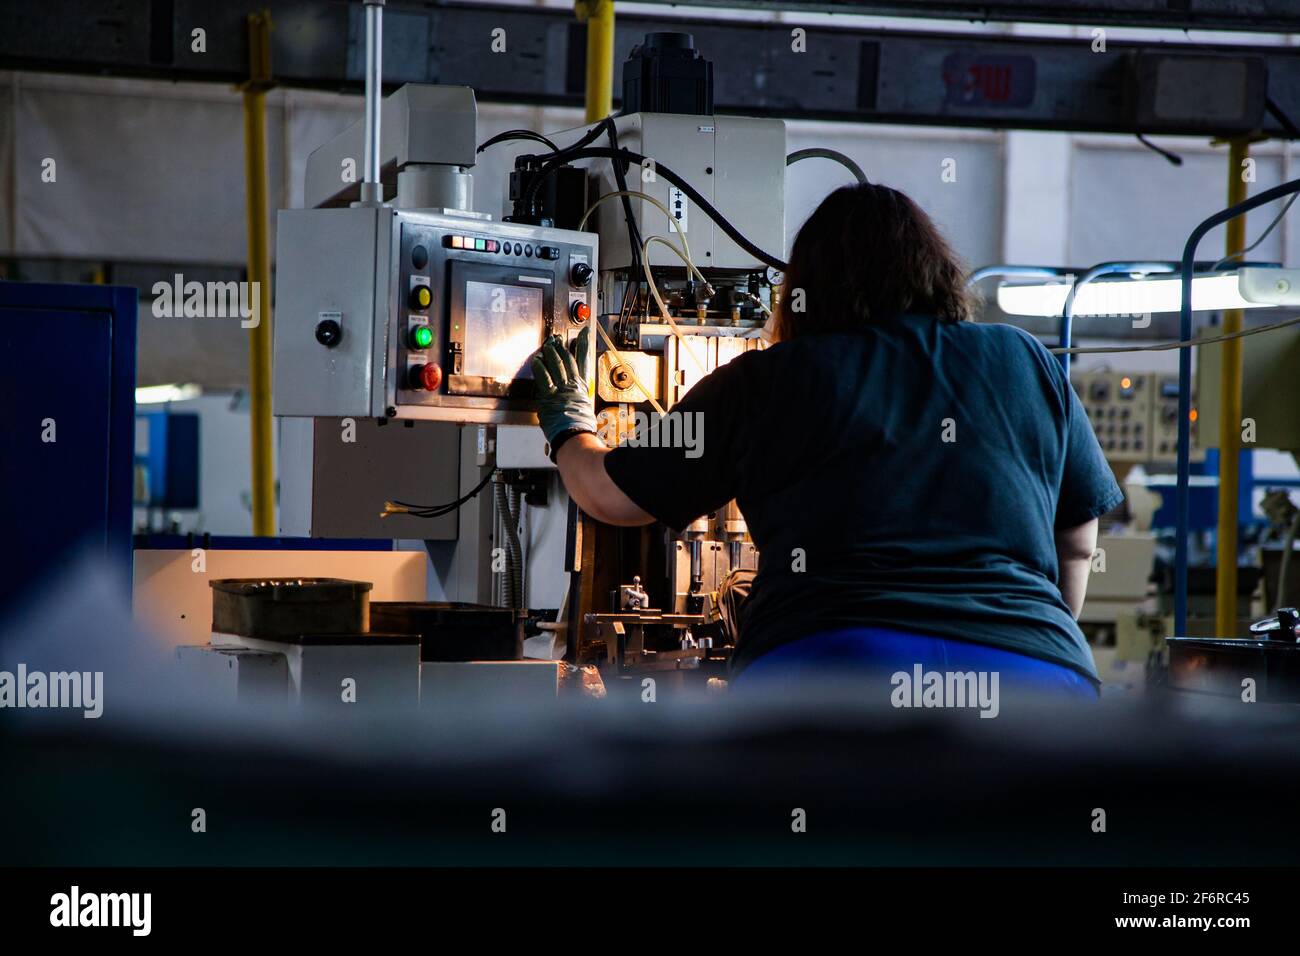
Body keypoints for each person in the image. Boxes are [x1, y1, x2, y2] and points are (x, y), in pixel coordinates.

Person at [530, 182, 1122, 699]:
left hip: (832, 676)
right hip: (1037, 679)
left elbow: (610, 493)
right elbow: (1075, 545)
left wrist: (568, 424)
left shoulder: (770, 380)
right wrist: (1022, 635)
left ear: (805, 289)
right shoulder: (1025, 360)